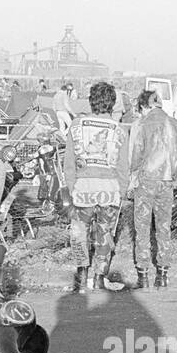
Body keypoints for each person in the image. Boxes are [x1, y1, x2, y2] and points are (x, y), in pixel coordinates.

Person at [64, 82, 130, 292]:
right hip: (110, 190)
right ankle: (100, 278)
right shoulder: (120, 130)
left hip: (82, 188)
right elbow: (123, 167)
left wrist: (71, 187)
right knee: (105, 235)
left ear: (91, 101)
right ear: (112, 103)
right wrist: (122, 191)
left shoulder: (76, 125)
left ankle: (82, 277)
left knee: (79, 234)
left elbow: (69, 162)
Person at [128, 89, 177, 289]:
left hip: (146, 181)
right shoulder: (176, 125)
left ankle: (143, 276)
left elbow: (136, 156)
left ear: (143, 107)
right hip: (167, 181)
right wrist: (174, 177)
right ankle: (162, 275)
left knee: (142, 228)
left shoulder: (142, 125)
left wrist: (133, 177)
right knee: (164, 227)